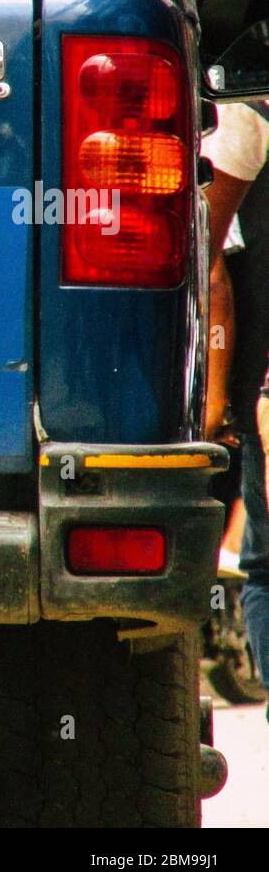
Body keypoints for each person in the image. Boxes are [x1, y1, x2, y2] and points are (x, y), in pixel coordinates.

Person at [204, 99, 269, 712]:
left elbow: (210, 270)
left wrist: (216, 399)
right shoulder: (241, 122)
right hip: (252, 382)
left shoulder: (240, 122)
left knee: (264, 564)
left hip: (255, 382)